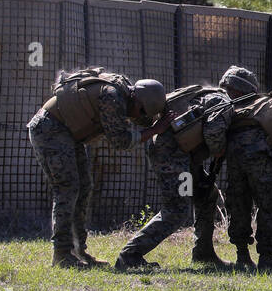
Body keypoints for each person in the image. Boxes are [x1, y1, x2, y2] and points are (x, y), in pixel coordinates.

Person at [27, 68, 169, 269]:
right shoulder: (113, 97)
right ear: (137, 101)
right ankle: (61, 254)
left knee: (84, 187)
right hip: (49, 129)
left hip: (66, 132)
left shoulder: (126, 95)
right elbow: (120, 141)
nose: (138, 118)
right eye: (141, 113)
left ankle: (78, 251)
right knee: (68, 188)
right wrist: (154, 131)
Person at [118, 82, 232, 271]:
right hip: (173, 158)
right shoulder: (223, 102)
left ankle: (204, 253)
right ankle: (129, 255)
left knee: (206, 194)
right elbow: (213, 133)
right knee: (177, 210)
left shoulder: (205, 94)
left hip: (180, 156)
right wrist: (219, 150)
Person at [221, 66, 272, 273]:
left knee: (239, 205)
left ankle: (242, 257)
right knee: (267, 206)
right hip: (262, 160)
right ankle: (267, 258)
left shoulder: (227, 110)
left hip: (234, 161)